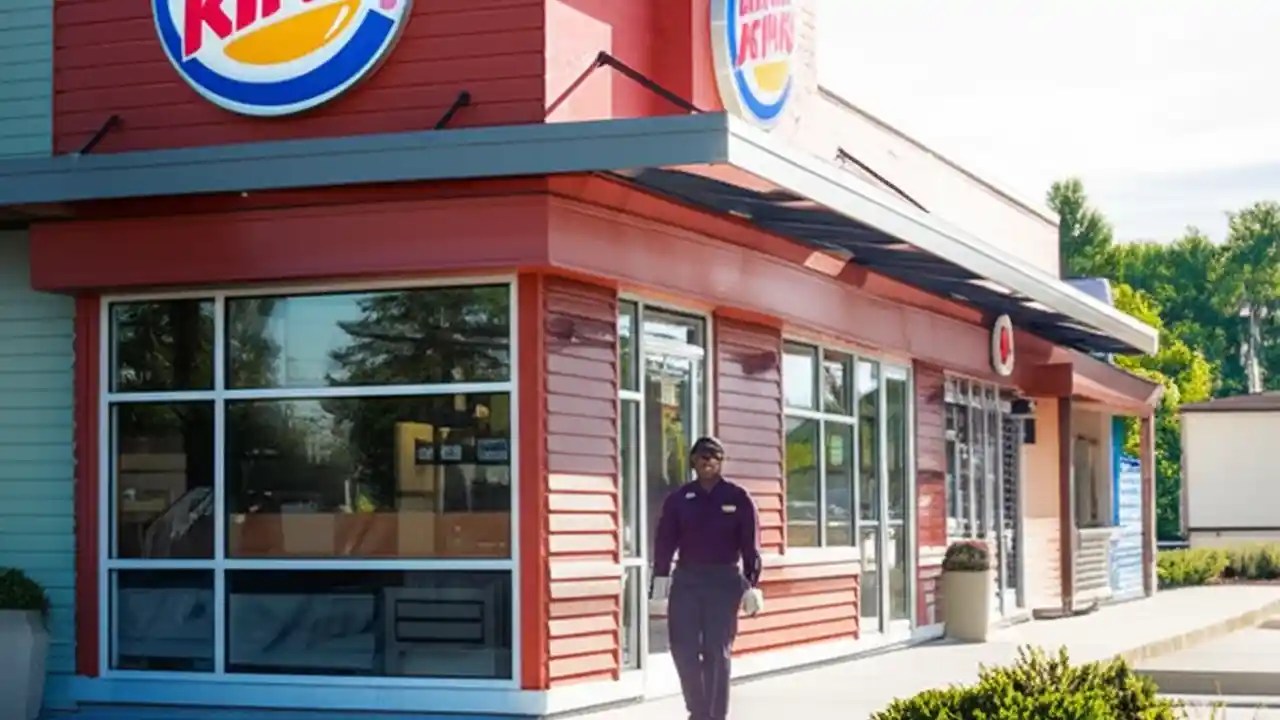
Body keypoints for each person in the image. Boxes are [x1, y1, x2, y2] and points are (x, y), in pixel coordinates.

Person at [650, 436, 764, 720]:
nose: (707, 461)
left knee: (716, 650)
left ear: (721, 461)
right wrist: (659, 581)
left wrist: (752, 584)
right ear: (693, 461)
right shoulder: (680, 500)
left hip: (723, 580)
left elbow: (751, 545)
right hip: (688, 579)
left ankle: (714, 715)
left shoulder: (738, 498)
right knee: (682, 647)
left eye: (713, 456)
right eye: (702, 456)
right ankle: (698, 710)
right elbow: (665, 541)